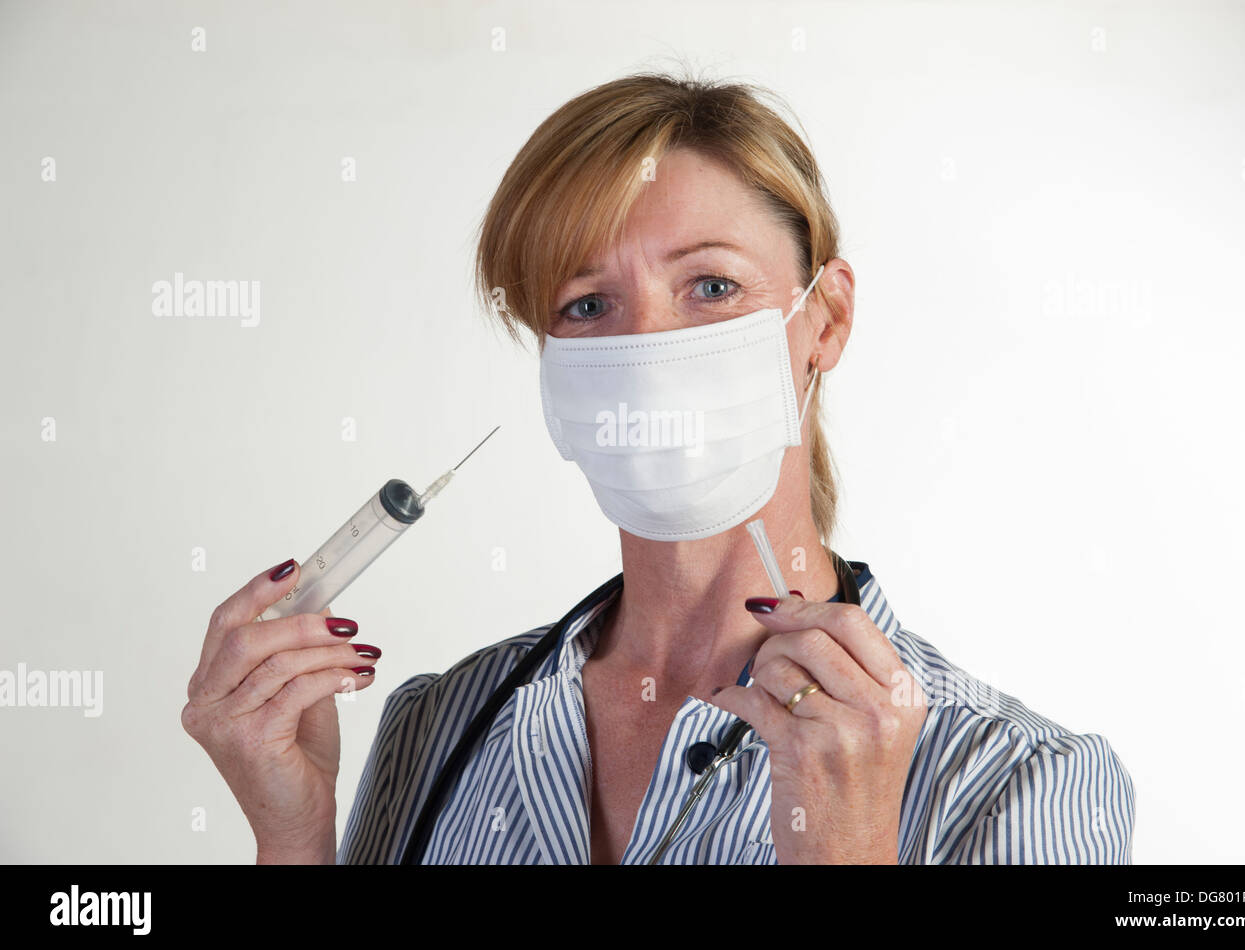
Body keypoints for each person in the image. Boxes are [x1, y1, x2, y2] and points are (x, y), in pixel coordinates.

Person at [183, 71, 1135, 865]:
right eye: (588, 304)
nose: (648, 348)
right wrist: (292, 833)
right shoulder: (440, 728)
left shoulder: (1016, 778)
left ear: (824, 321)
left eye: (712, 287)